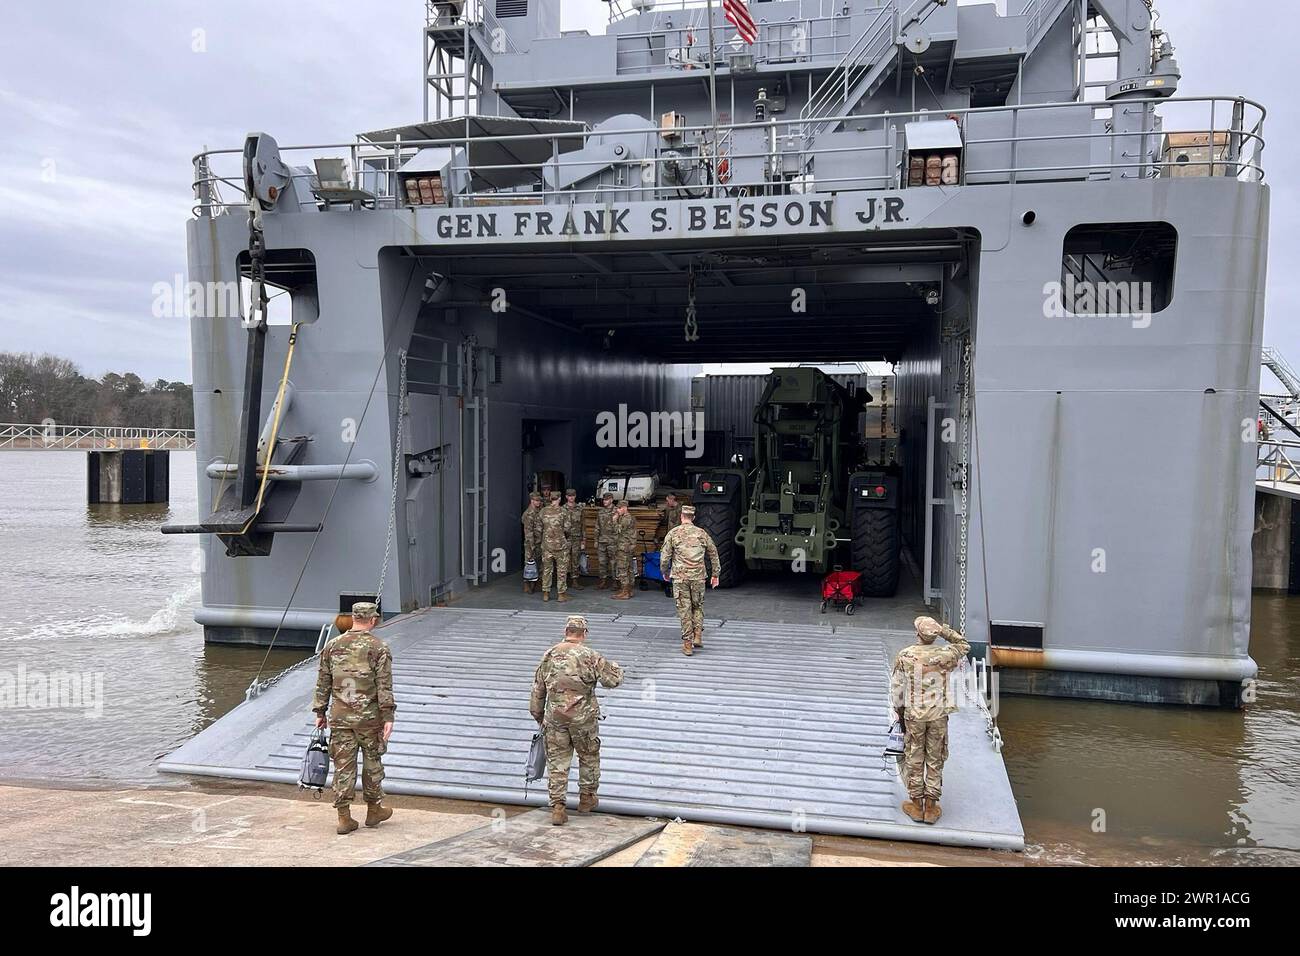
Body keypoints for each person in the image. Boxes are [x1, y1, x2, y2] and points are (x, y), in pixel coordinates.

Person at [529, 614, 624, 826]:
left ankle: (558, 808)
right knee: (588, 756)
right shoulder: (591, 656)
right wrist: (616, 667)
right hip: (584, 719)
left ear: (566, 632)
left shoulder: (549, 654)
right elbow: (612, 681)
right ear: (584, 634)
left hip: (555, 718)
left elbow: (538, 688)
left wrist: (538, 714)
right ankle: (586, 799)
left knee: (557, 762)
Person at [311, 602, 396, 834]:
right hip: (370, 720)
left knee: (343, 766)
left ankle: (344, 817)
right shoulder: (379, 648)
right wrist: (388, 716)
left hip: (340, 719)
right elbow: (384, 686)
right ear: (373, 620)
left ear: (352, 618)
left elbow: (323, 682)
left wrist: (320, 712)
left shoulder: (332, 646)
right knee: (372, 764)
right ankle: (374, 810)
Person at [889, 616, 970, 825]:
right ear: (933, 636)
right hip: (938, 715)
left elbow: (897, 690)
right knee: (936, 758)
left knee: (914, 756)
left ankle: (916, 806)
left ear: (917, 634)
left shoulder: (905, 655)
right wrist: (942, 630)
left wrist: (899, 713)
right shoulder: (946, 655)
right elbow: (963, 645)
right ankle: (931, 808)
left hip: (914, 716)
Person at [660, 504, 720, 656]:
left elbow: (665, 556)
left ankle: (687, 644)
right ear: (693, 518)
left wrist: (664, 571)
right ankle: (698, 635)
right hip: (698, 577)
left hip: (680, 578)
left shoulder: (673, 533)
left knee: (684, 610)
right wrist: (715, 574)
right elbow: (713, 553)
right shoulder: (702, 533)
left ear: (681, 517)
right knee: (698, 606)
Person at [539, 496, 571, 602]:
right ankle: (561, 595)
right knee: (561, 570)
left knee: (547, 570)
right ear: (559, 499)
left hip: (547, 546)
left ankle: (545, 594)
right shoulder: (563, 511)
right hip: (560, 546)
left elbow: (539, 528)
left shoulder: (543, 511)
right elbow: (567, 528)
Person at [610, 498, 637, 600]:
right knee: (629, 568)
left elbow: (618, 530)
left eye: (620, 508)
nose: (618, 510)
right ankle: (629, 590)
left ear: (625, 508)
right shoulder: (627, 517)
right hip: (627, 546)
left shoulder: (626, 519)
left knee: (623, 569)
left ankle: (625, 591)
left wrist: (614, 520)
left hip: (624, 547)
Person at [563, 488, 586, 591]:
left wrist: (583, 539)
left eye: (573, 495)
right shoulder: (562, 509)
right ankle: (562, 581)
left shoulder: (580, 509)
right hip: (565, 538)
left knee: (575, 559)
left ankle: (575, 581)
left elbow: (583, 525)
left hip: (576, 538)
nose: (571, 497)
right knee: (564, 560)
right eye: (569, 495)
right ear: (566, 497)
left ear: (575, 496)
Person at [521, 492, 543, 593]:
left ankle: (535, 584)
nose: (538, 502)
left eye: (539, 500)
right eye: (536, 500)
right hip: (531, 544)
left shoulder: (540, 511)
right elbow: (528, 532)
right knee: (529, 564)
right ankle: (526, 585)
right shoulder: (528, 514)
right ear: (532, 500)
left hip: (540, 542)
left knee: (538, 564)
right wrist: (532, 545)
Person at [594, 492, 617, 589]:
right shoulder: (601, 512)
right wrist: (596, 540)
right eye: (603, 500)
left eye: (606, 500)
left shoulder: (617, 511)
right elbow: (597, 526)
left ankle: (615, 581)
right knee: (602, 562)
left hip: (613, 541)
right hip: (602, 540)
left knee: (614, 562)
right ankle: (603, 581)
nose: (604, 501)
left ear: (611, 500)